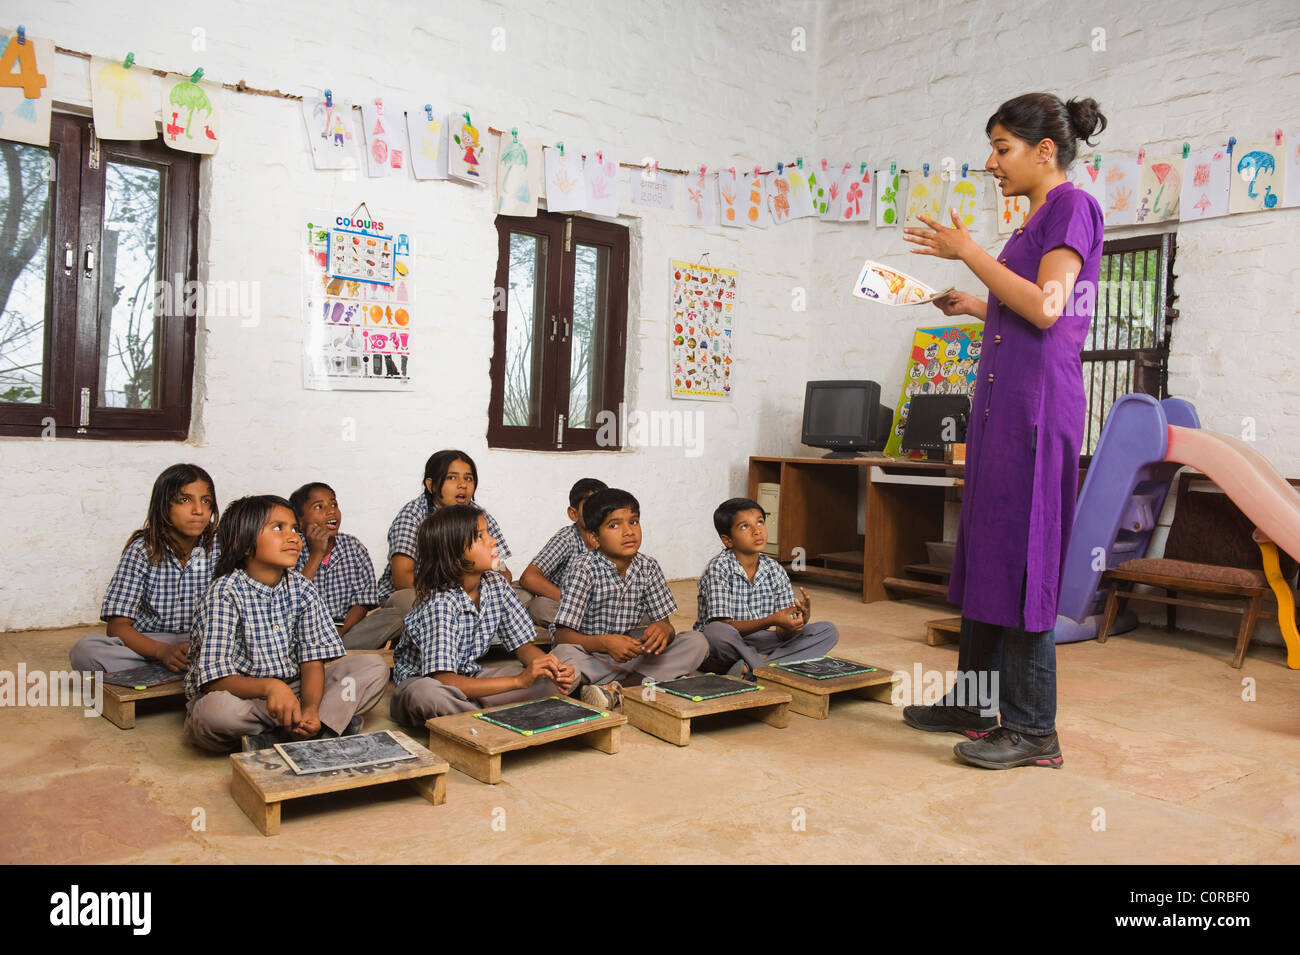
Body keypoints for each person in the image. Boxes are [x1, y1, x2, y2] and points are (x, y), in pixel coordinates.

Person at [899, 92, 1107, 770]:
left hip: (1036, 407)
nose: (991, 162)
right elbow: (1024, 304)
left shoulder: (1073, 207)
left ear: (1045, 150)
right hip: (1004, 404)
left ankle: (1032, 729)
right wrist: (973, 303)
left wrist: (968, 253)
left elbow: (1049, 310)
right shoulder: (1036, 219)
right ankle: (973, 700)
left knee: (1024, 559)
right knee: (988, 548)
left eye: (1002, 148)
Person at [184, 495, 388, 752]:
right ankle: (321, 727)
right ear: (244, 544)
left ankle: (308, 723)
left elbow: (312, 661)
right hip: (244, 697)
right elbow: (215, 680)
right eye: (278, 528)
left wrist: (311, 707)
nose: (293, 536)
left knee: (373, 668)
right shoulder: (224, 593)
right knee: (215, 712)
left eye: (294, 528)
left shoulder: (302, 588)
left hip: (298, 690)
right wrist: (271, 688)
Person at [389, 505, 575, 725]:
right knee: (426, 695)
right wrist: (518, 682)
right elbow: (444, 679)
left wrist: (548, 667)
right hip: (429, 685)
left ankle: (473, 715)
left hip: (470, 679)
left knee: (559, 677)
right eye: (480, 537)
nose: (492, 540)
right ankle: (487, 717)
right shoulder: (439, 602)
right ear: (454, 554)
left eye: (488, 533)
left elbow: (523, 647)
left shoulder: (496, 584)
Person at [550, 488, 709, 709]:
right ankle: (636, 686)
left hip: (633, 654)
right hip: (592, 655)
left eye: (633, 522)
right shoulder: (583, 568)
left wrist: (663, 630)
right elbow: (562, 636)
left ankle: (617, 689)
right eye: (614, 525)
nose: (628, 532)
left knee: (696, 642)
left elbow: (666, 625)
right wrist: (606, 643)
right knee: (563, 658)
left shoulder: (648, 566)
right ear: (594, 538)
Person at [70, 464, 219, 674]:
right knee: (85, 651)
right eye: (184, 500)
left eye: (206, 501)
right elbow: (117, 626)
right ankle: (186, 675)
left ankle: (167, 675)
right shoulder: (142, 550)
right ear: (163, 506)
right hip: (151, 642)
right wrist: (162, 652)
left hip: (203, 641)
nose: (198, 510)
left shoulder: (220, 546)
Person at [696, 497, 839, 679]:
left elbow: (782, 634)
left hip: (763, 641)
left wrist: (798, 621)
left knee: (828, 631)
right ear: (728, 540)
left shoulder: (774, 569)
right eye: (745, 527)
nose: (757, 531)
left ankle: (755, 666)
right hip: (727, 643)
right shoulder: (719, 568)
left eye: (760, 522)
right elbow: (724, 626)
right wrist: (772, 619)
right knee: (714, 632)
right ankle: (771, 666)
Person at [377, 449, 515, 609]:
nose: (462, 485)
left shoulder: (479, 517)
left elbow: (503, 571)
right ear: (431, 485)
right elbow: (402, 578)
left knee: (520, 595)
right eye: (452, 477)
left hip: (467, 593)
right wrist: (450, 598)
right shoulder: (413, 515)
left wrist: (485, 591)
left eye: (468, 478)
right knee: (409, 600)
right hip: (421, 592)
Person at [289, 482, 392, 649]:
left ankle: (339, 648)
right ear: (299, 522)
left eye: (334, 504)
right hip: (304, 634)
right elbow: (293, 603)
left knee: (394, 614)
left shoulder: (354, 547)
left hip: (347, 631)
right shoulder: (292, 549)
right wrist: (316, 554)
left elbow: (362, 602)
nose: (331, 511)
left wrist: (342, 631)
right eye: (319, 507)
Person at [519, 478, 607, 625]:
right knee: (539, 607)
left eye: (602, 508)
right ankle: (595, 631)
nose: (596, 514)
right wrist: (574, 603)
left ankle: (598, 627)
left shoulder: (612, 537)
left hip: (604, 609)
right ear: (574, 514)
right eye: (589, 508)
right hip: (568, 606)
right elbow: (529, 577)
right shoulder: (567, 538)